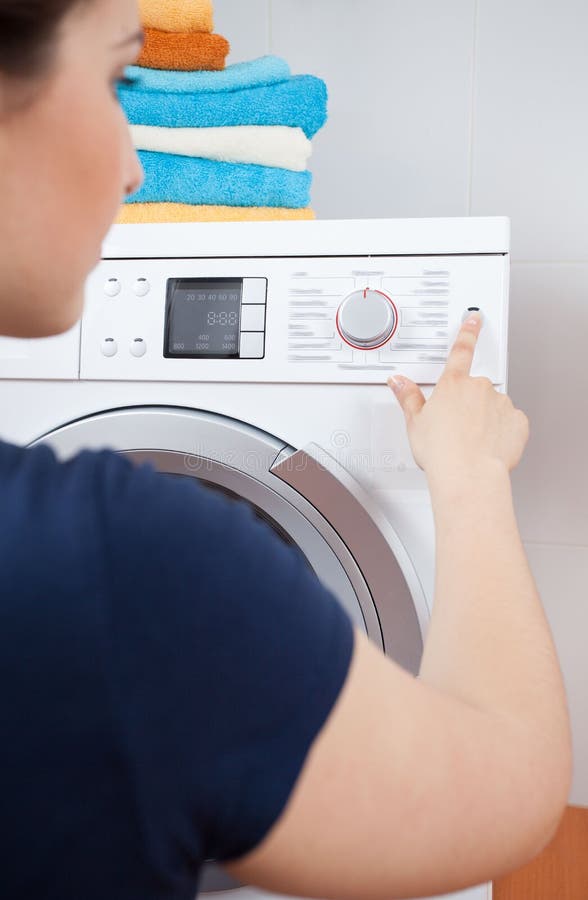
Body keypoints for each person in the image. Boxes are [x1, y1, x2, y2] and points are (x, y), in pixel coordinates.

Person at [0, 1, 572, 898]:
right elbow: (512, 791)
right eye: (116, 81)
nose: (136, 168)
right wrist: (468, 475)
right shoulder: (121, 562)